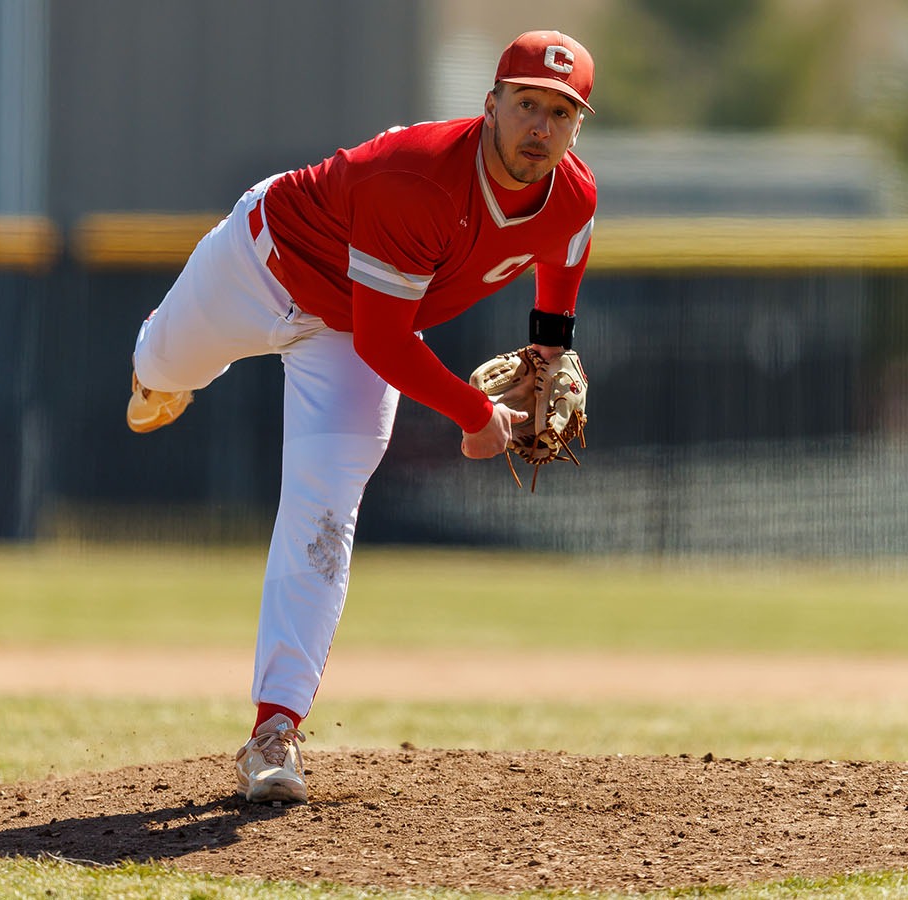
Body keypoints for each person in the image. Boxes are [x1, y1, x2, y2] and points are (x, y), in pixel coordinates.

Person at [127, 30, 597, 804]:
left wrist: (549, 353)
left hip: (345, 333)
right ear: (490, 107)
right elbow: (387, 339)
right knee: (161, 369)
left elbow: (560, 263)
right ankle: (158, 364)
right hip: (263, 264)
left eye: (560, 111)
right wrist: (476, 413)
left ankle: (274, 730)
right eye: (525, 104)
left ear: (578, 125)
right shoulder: (421, 180)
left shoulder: (574, 195)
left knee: (324, 512)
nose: (540, 126)